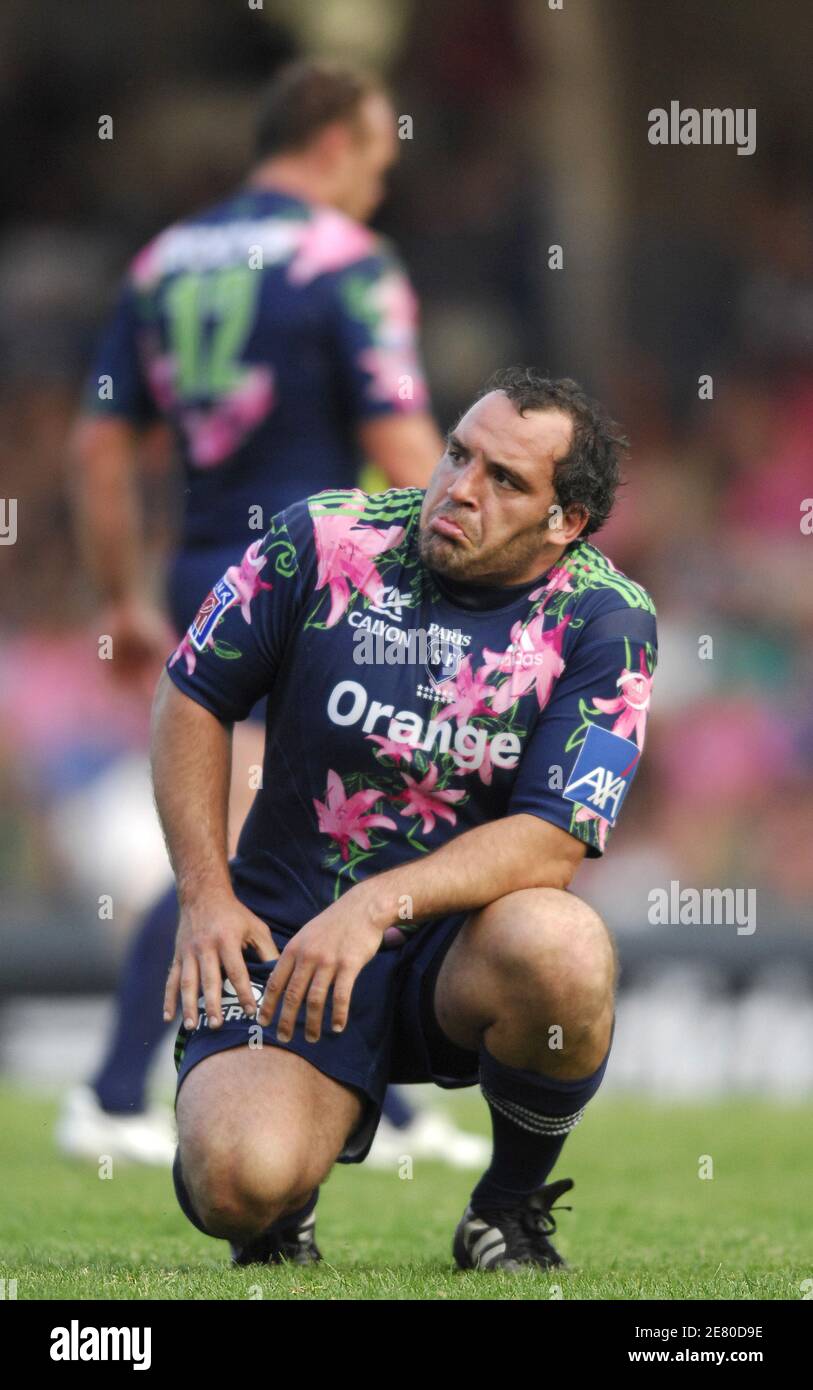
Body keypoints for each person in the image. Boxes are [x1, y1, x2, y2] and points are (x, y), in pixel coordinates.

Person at [60, 58, 484, 1169]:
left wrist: (123, 594)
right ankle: (111, 1090)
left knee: (284, 831)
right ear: (337, 140)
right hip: (321, 571)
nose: (381, 191)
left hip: (204, 564)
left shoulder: (164, 260)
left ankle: (375, 1098)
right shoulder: (344, 262)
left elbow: (101, 447)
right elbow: (403, 443)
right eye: (380, 163)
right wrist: (464, 567)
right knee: (276, 842)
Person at [153, 367, 658, 1270]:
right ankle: (281, 1192)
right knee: (234, 1185)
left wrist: (378, 905)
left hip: (450, 957)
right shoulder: (323, 537)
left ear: (564, 522)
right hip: (283, 939)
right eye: (458, 453)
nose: (458, 487)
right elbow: (192, 695)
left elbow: (552, 837)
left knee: (565, 944)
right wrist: (204, 894)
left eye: (505, 480)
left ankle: (503, 1210)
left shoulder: (607, 620)